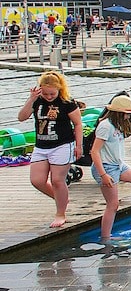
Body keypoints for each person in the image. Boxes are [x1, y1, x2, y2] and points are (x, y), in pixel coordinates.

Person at [17, 71, 83, 228]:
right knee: (37, 180)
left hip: (62, 144)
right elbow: (21, 117)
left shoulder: (67, 102)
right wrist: (31, 99)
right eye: (45, 93)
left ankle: (60, 213)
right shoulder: (37, 101)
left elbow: (78, 124)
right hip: (41, 146)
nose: (48, 97)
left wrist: (78, 145)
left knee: (57, 180)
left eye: (52, 93)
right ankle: (61, 199)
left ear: (59, 89)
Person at [89, 94, 131, 240]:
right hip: (106, 167)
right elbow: (94, 151)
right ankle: (106, 237)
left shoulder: (116, 125)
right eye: (127, 114)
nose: (128, 117)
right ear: (119, 113)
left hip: (118, 164)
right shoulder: (105, 126)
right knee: (112, 204)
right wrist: (103, 174)